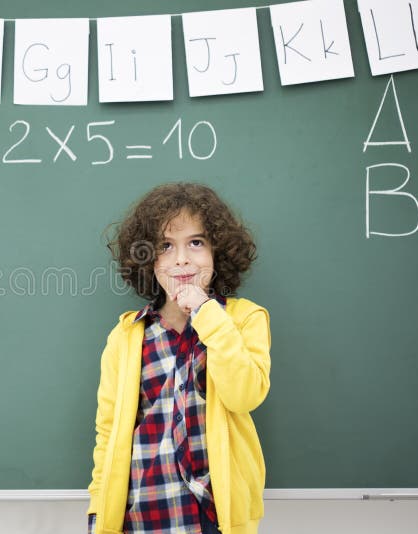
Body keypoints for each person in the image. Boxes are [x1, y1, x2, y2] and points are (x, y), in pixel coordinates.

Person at [87, 182, 271, 534]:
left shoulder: (243, 320)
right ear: (148, 259)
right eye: (165, 246)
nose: (182, 259)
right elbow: (107, 432)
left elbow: (245, 394)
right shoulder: (127, 336)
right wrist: (99, 509)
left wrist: (206, 312)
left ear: (218, 251)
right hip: (141, 514)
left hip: (214, 517)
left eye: (196, 243)